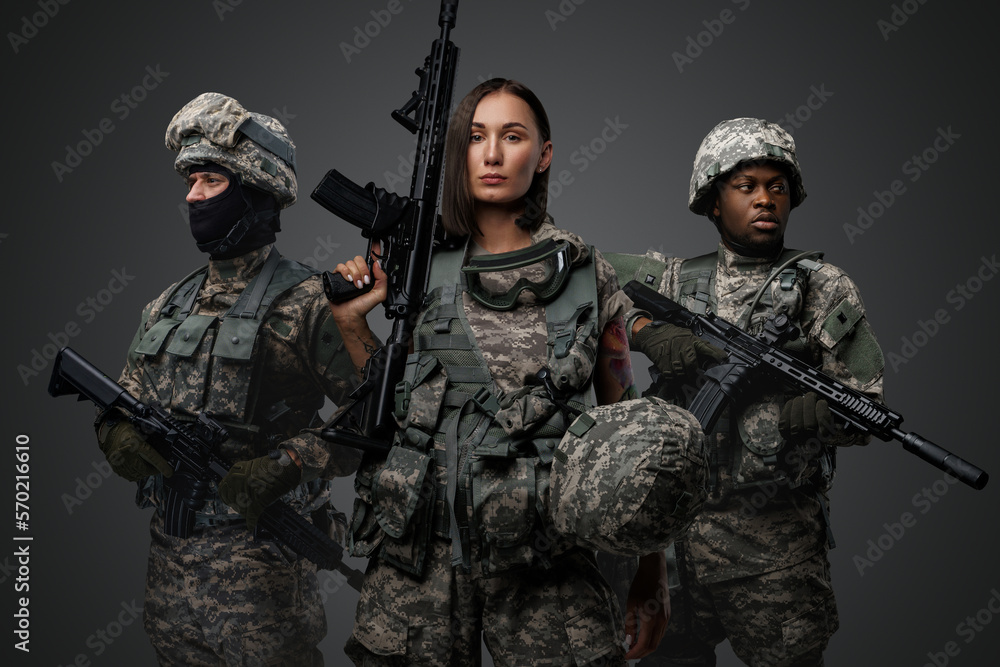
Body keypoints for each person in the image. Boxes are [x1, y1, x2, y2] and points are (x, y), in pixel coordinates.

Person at [329, 78, 706, 666]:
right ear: (458, 152)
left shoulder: (584, 274)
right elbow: (392, 412)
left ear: (545, 153)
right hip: (416, 564)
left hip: (548, 565)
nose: (494, 154)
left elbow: (628, 432)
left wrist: (654, 571)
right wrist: (353, 323)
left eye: (512, 136)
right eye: (476, 137)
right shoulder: (413, 264)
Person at [94, 92, 375, 666]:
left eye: (210, 181)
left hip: (262, 575)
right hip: (170, 565)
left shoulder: (308, 302)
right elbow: (119, 403)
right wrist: (115, 437)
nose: (193, 196)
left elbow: (372, 421)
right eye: (190, 182)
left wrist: (291, 463)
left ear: (254, 192)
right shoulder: (165, 306)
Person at [609, 118, 886, 666]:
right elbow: (579, 278)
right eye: (747, 186)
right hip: (670, 553)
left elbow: (866, 405)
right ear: (713, 201)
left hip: (772, 555)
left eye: (777, 187)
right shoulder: (673, 279)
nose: (765, 199)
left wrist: (822, 415)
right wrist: (647, 333)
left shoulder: (821, 287)